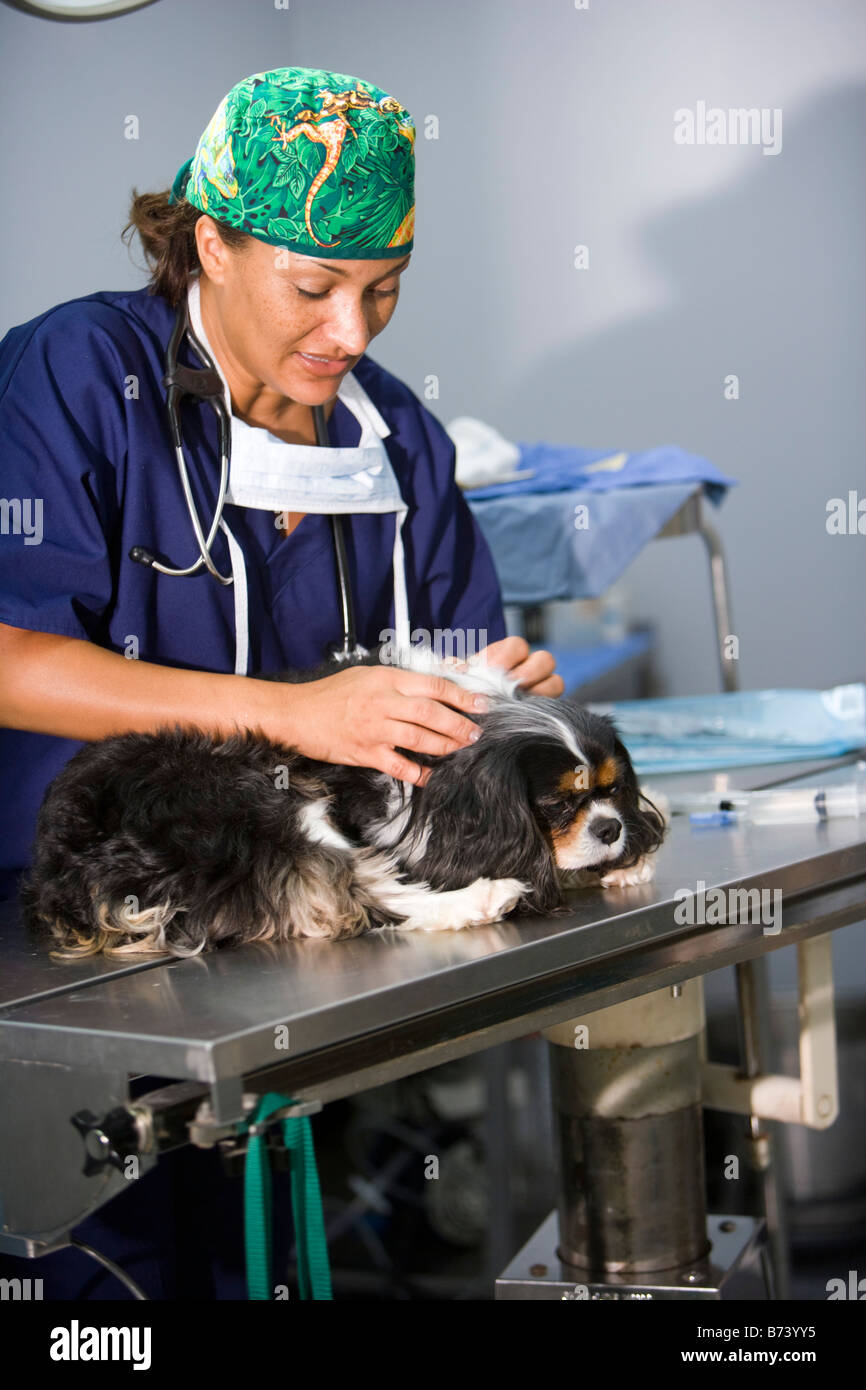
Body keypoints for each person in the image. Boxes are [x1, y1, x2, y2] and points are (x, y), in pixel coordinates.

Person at [0, 66, 563, 1298]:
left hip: (290, 940)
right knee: (100, 1273)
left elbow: (460, 662)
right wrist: (289, 711)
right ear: (208, 242)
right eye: (313, 288)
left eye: (382, 292)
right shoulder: (79, 378)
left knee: (263, 1252)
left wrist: (491, 698)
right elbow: (8, 655)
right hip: (71, 935)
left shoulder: (393, 436)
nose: (350, 334)